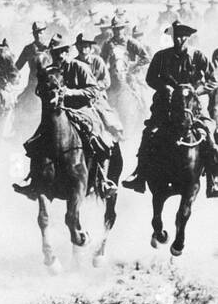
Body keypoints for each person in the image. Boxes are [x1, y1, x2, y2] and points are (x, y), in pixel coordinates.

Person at [13, 35, 122, 198]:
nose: (60, 56)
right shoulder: (50, 71)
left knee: (97, 139)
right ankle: (33, 181)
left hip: (82, 109)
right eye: (56, 53)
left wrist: (70, 92)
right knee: (37, 140)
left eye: (63, 52)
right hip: (58, 111)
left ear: (67, 52)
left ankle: (103, 180)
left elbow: (93, 90)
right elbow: (39, 90)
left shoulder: (79, 67)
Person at [121, 22, 218, 196]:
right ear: (172, 37)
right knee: (149, 133)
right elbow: (151, 78)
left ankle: (213, 179)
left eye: (183, 36)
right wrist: (164, 87)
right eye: (176, 36)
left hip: (192, 106)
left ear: (188, 37)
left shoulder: (197, 55)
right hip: (166, 105)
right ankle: (140, 175)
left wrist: (195, 91)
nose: (179, 39)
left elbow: (213, 80)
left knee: (209, 134)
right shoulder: (161, 56)